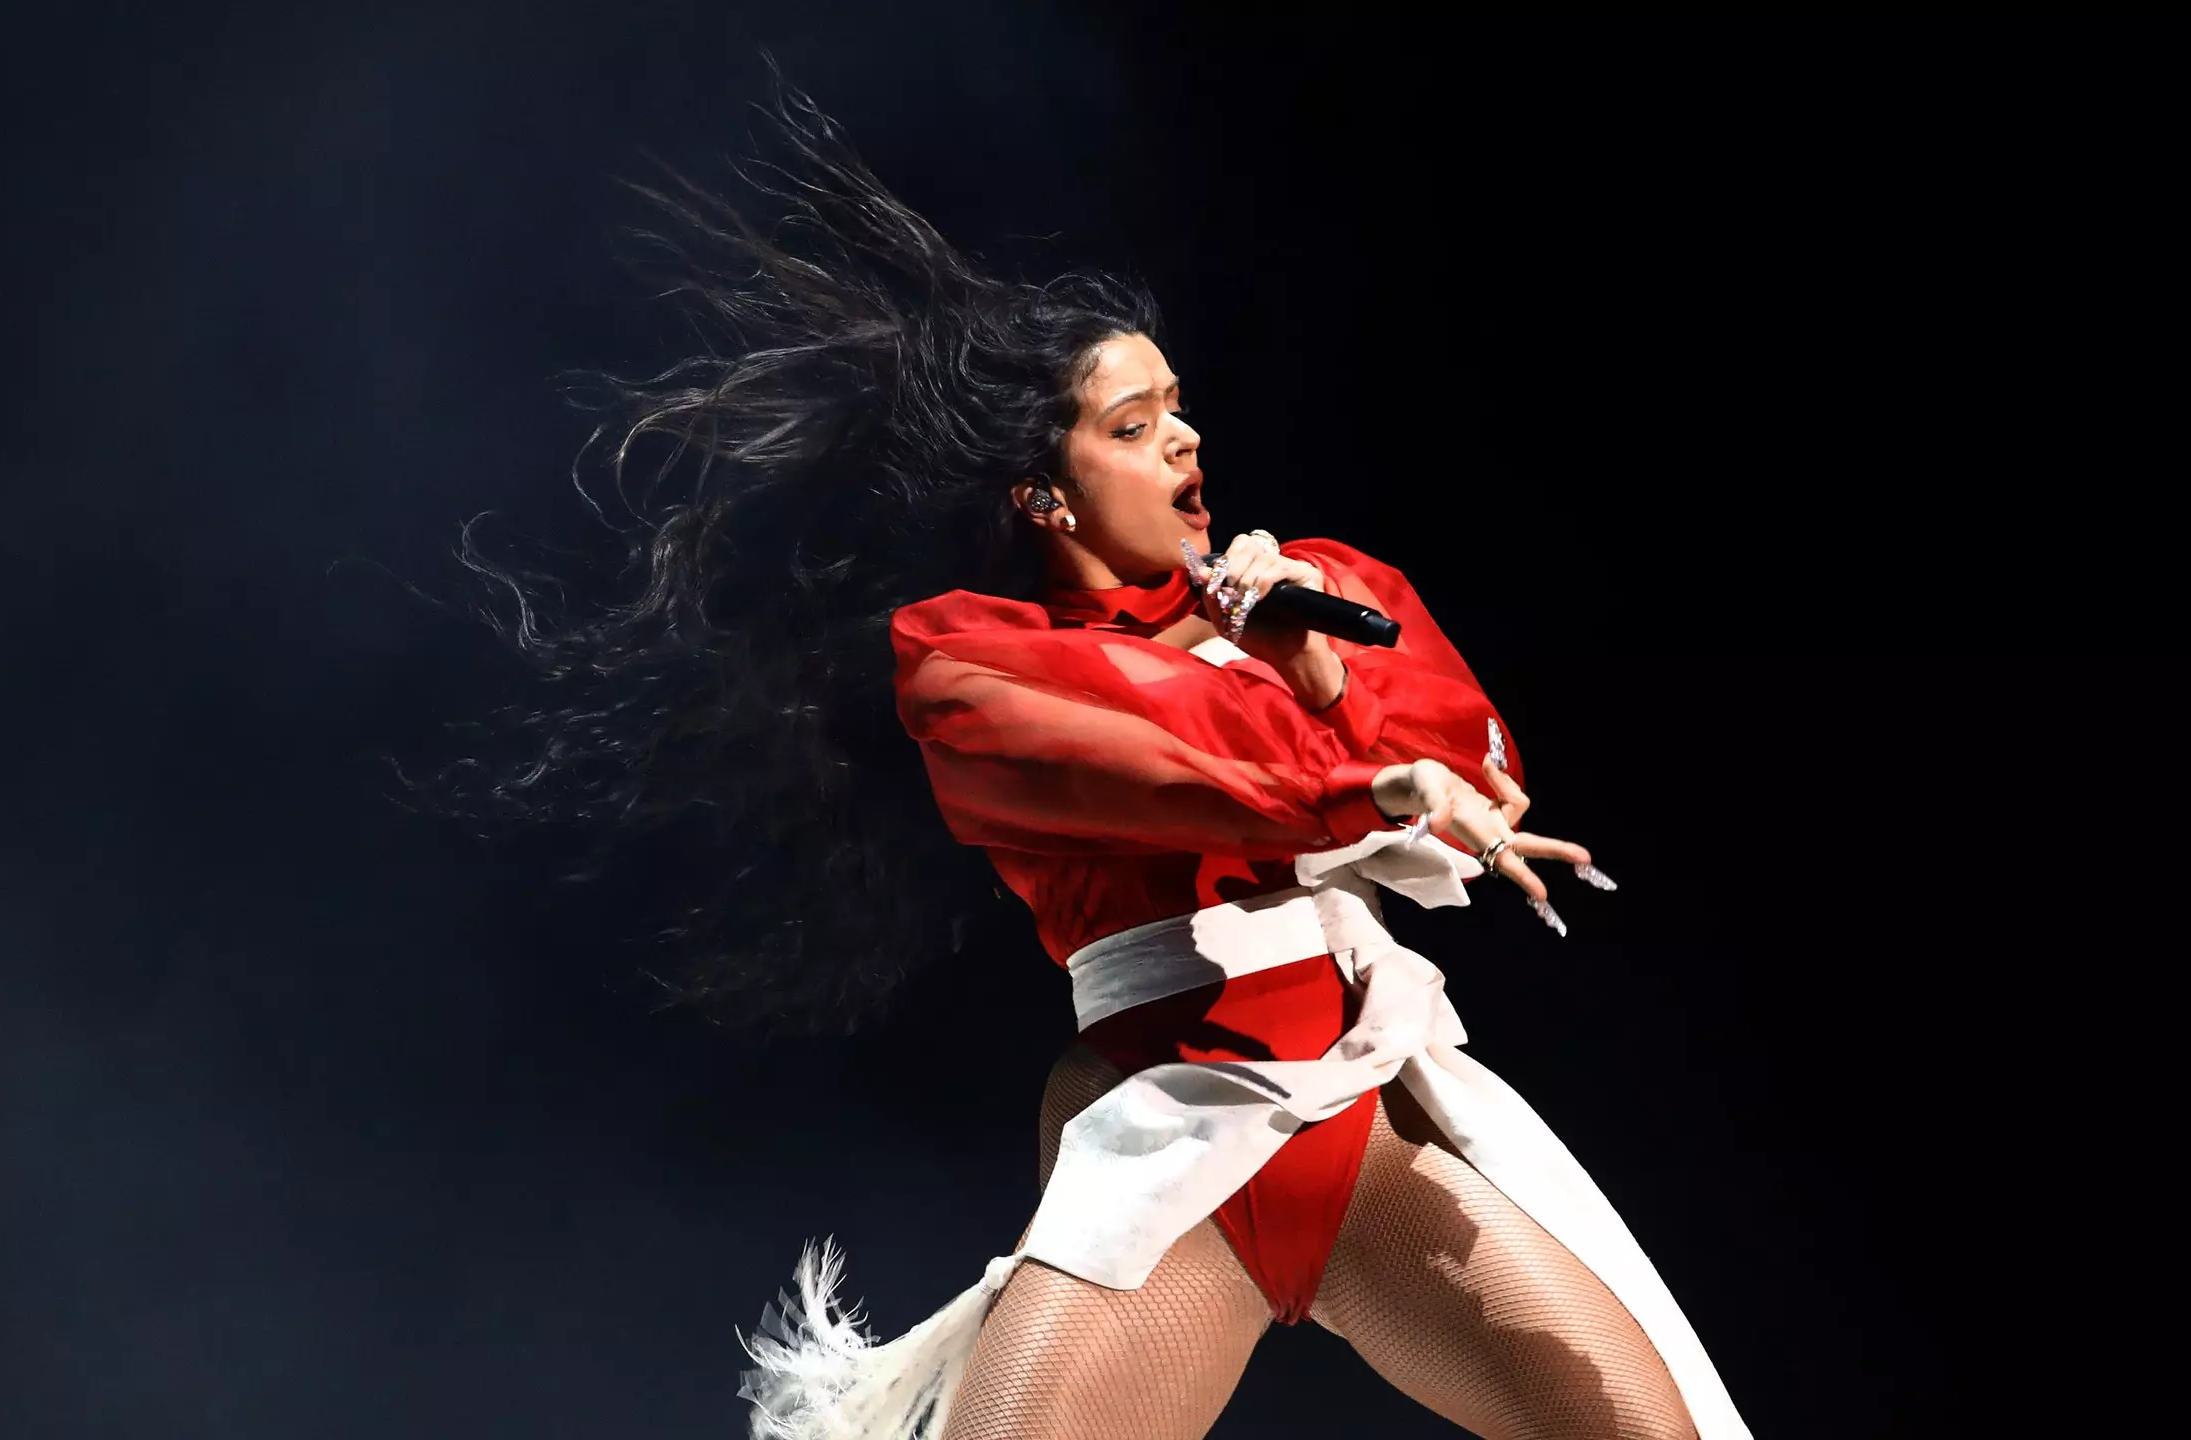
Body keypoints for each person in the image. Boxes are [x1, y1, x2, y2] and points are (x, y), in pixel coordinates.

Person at [447, 81, 1749, 1440]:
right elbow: (1155, 764)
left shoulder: (1331, 590)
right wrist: (1350, 775)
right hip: (1170, 1129)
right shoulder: (970, 659)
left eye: (1177, 410)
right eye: (1132, 426)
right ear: (1043, 492)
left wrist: (1317, 673)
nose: (1184, 439)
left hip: (1362, 1120)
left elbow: (1461, 768)